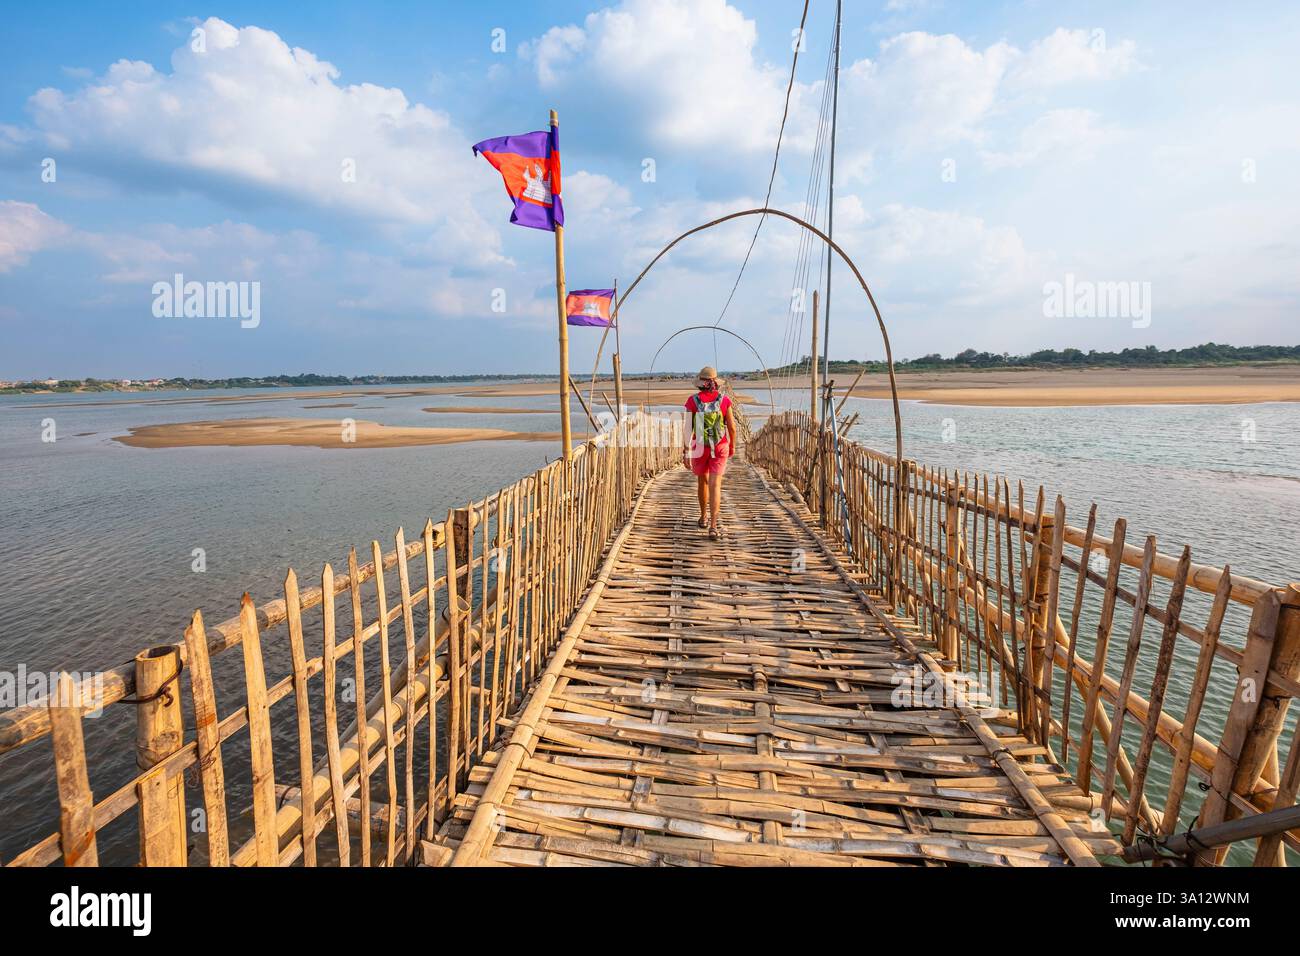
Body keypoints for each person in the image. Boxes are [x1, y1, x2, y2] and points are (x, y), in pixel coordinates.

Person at [683, 366, 737, 540]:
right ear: (715, 382)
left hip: (699, 446)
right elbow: (732, 428)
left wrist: (686, 451)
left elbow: (687, 429)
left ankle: (703, 517)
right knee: (716, 485)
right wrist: (732, 446)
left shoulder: (692, 401)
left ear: (700, 383)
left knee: (703, 481)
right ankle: (713, 526)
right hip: (720, 446)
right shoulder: (724, 400)